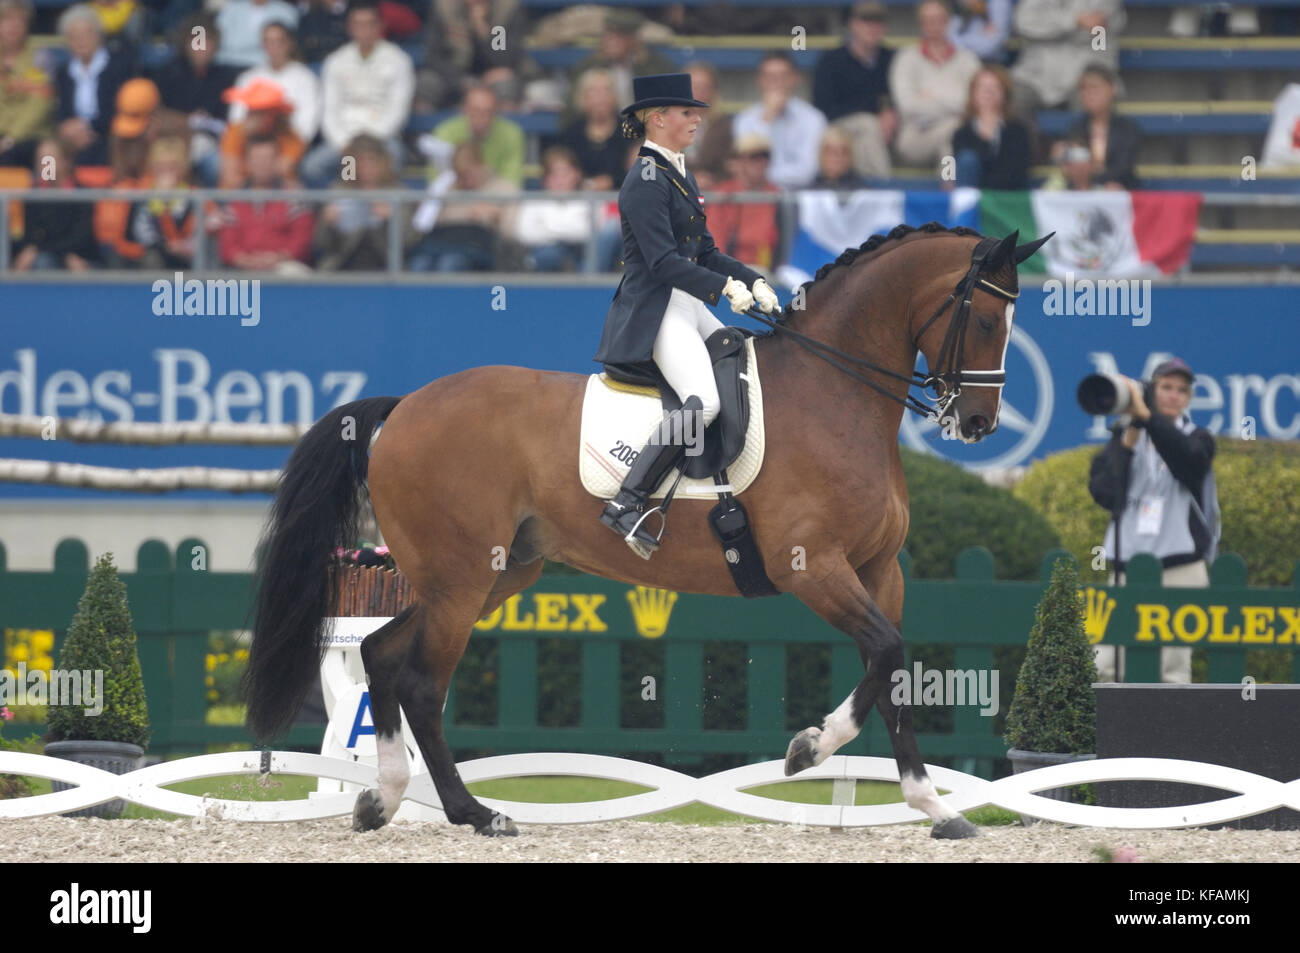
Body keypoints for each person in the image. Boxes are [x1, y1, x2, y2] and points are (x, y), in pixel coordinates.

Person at [593, 73, 780, 558]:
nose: (697, 119)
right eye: (686, 112)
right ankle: (628, 502)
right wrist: (724, 289)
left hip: (688, 303)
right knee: (704, 401)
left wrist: (752, 279)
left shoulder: (678, 173)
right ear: (658, 119)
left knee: (747, 369)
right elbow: (662, 264)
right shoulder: (644, 180)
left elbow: (706, 251)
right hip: (656, 309)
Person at [1088, 358, 1220, 683]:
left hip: (1180, 566)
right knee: (1105, 665)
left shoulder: (1199, 438)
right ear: (1152, 390)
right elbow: (1105, 493)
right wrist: (1130, 436)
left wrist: (1149, 418)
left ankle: (1169, 735)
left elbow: (1187, 462)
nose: (1174, 396)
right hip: (1126, 565)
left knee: (1170, 669)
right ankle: (1114, 735)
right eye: (1166, 388)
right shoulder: (1125, 437)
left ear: (1189, 398)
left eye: (1181, 391)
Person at [889, 0, 981, 167]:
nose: (934, 26)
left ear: (949, 22)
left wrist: (930, 98)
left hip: (952, 136)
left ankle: (948, 183)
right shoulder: (905, 58)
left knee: (951, 140)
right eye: (928, 21)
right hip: (916, 136)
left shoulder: (968, 60)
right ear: (921, 24)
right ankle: (950, 187)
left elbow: (973, 105)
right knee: (955, 128)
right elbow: (908, 106)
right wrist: (954, 103)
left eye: (940, 19)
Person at [812, 0, 895, 182]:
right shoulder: (831, 60)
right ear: (852, 25)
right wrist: (874, 110)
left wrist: (891, 112)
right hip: (838, 126)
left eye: (878, 21)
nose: (872, 27)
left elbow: (897, 98)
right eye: (866, 21)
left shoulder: (891, 59)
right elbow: (824, 109)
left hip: (880, 134)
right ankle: (884, 187)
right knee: (867, 125)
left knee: (867, 137)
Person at [731, 51, 827, 188]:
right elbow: (748, 170)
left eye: (784, 76)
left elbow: (808, 172)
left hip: (800, 198)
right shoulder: (744, 120)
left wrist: (764, 175)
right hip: (757, 197)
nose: (777, 83)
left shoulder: (814, 119)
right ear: (760, 80)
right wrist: (766, 121)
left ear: (796, 78)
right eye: (770, 77)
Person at [1060, 64, 1140, 190]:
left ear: (1112, 89)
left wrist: (1093, 179)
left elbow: (1123, 168)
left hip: (1118, 193)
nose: (1088, 94)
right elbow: (1073, 168)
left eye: (1094, 88)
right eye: (1083, 89)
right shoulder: (1076, 128)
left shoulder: (1127, 128)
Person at [951, 65, 1031, 189]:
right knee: (967, 159)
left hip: (1007, 198)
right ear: (972, 94)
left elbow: (1015, 172)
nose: (988, 93)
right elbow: (950, 163)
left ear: (1005, 94)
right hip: (973, 198)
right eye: (982, 88)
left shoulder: (1018, 131)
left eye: (995, 88)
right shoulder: (961, 132)